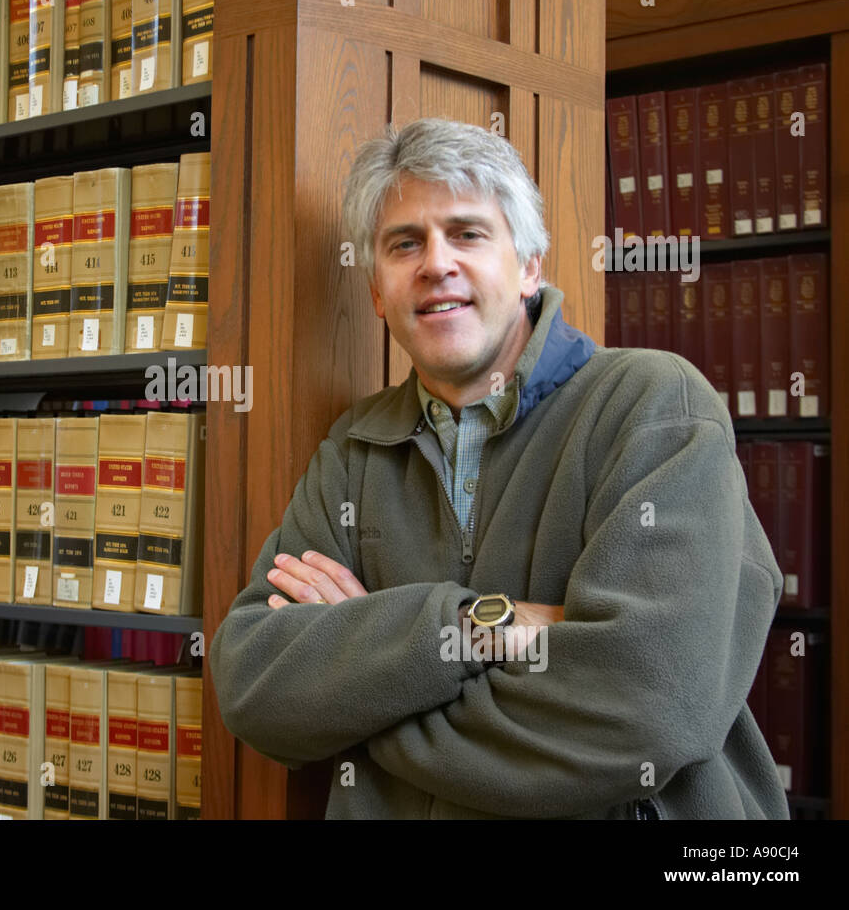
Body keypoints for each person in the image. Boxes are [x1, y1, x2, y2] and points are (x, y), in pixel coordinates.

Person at [209, 117, 788, 819]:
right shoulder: (352, 454)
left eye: (468, 233)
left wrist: (364, 690)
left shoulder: (655, 405)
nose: (436, 262)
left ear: (529, 265)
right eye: (404, 244)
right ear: (375, 292)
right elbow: (253, 681)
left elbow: (651, 703)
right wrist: (487, 624)